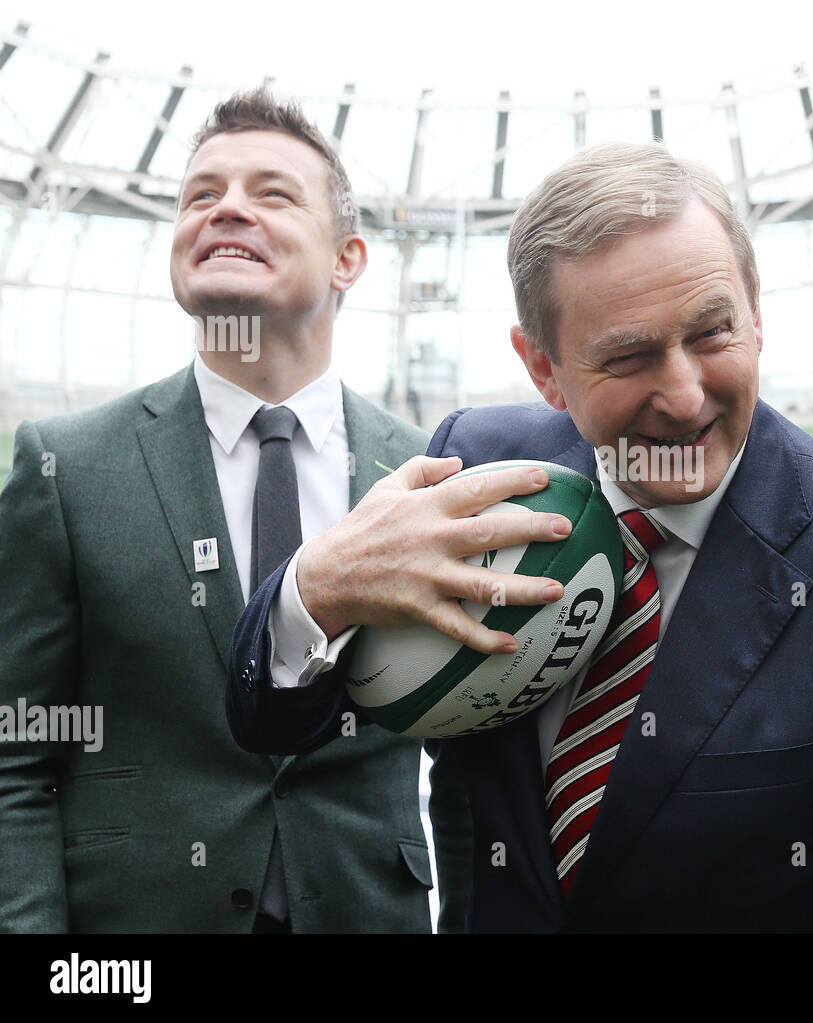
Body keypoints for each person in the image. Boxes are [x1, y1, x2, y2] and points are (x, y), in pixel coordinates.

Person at [227, 141, 813, 933]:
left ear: (756, 311)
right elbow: (275, 717)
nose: (683, 394)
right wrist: (319, 586)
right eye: (629, 357)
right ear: (543, 368)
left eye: (712, 333)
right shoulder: (475, 470)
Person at [0, 88, 452, 933]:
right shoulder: (64, 469)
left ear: (349, 256)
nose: (226, 209)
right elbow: (14, 755)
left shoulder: (425, 472)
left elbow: (466, 769)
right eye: (200, 195)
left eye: (271, 194)